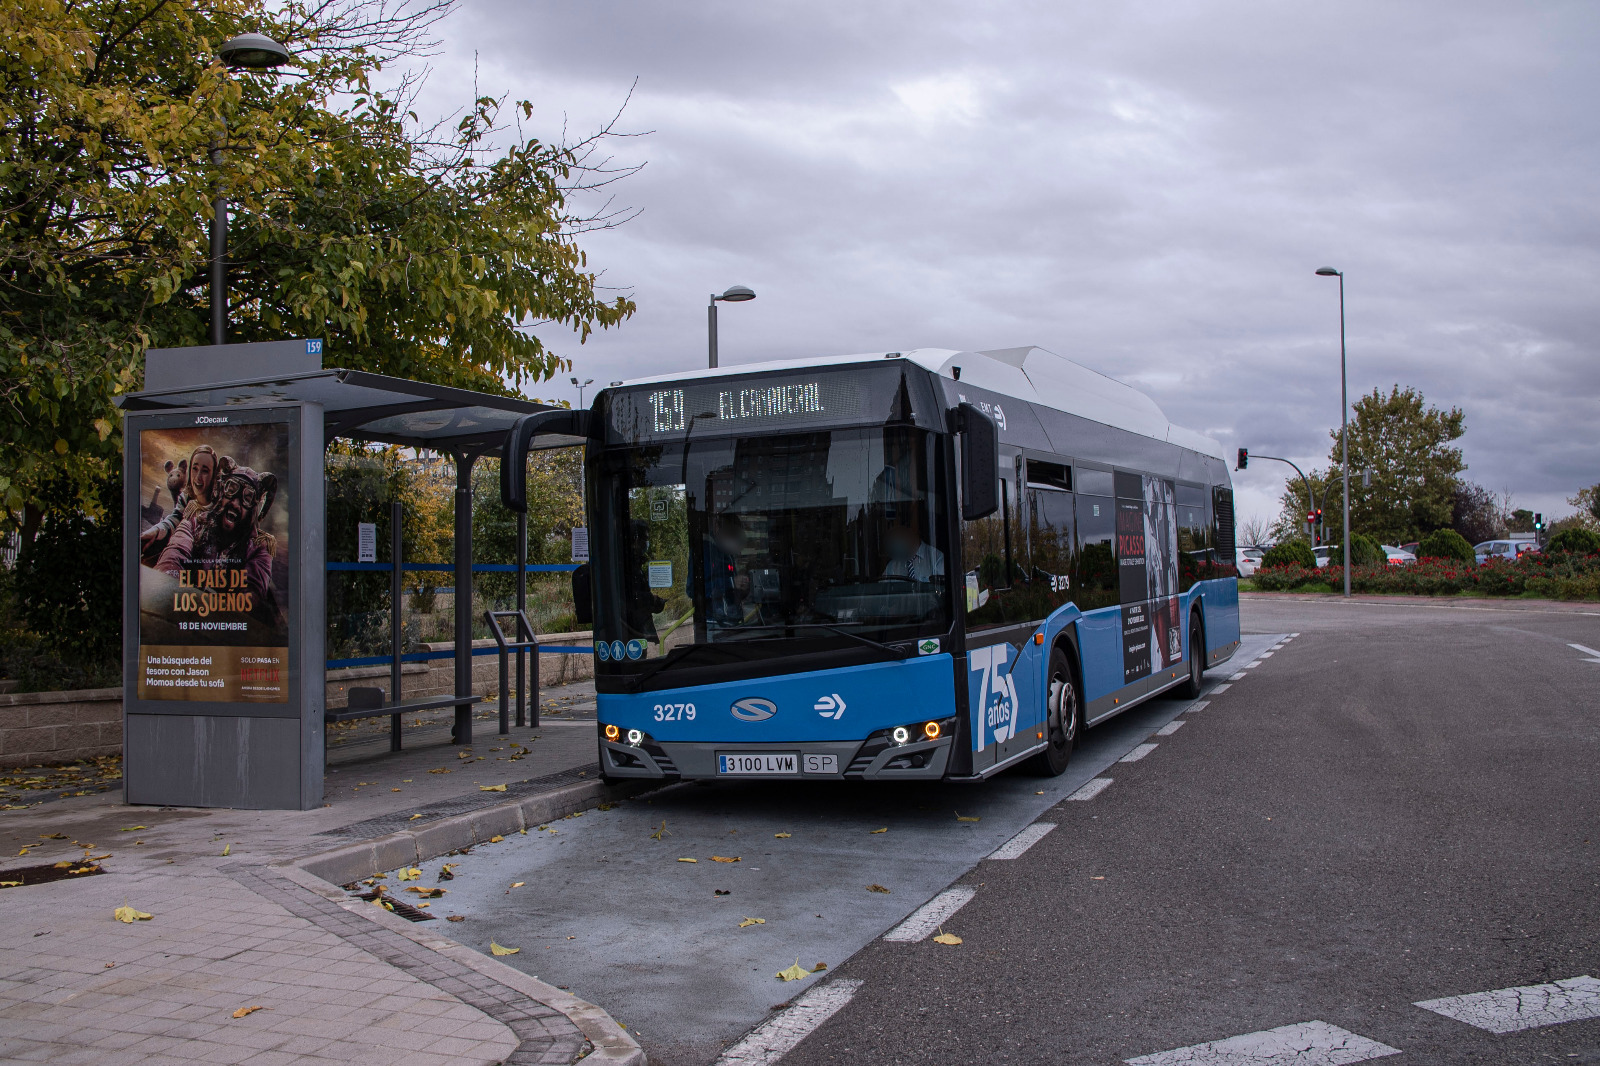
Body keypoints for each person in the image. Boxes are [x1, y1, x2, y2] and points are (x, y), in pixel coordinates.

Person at [156, 463, 282, 628]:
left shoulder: (259, 547)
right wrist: (168, 582)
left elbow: (253, 592)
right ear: (220, 492)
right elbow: (173, 556)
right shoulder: (193, 526)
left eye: (247, 497)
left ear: (253, 507)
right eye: (231, 489)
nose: (236, 504)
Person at [140, 444, 218, 561]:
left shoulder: (220, 500)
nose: (198, 477)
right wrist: (156, 531)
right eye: (195, 469)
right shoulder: (186, 497)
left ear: (213, 475)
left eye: (205, 471)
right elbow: (175, 519)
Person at [703, 512, 751, 623]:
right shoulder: (706, 549)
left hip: (731, 619)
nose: (733, 538)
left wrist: (743, 588)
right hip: (714, 623)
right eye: (730, 533)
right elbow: (694, 590)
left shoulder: (726, 552)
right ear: (717, 528)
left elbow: (729, 592)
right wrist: (732, 582)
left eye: (735, 534)